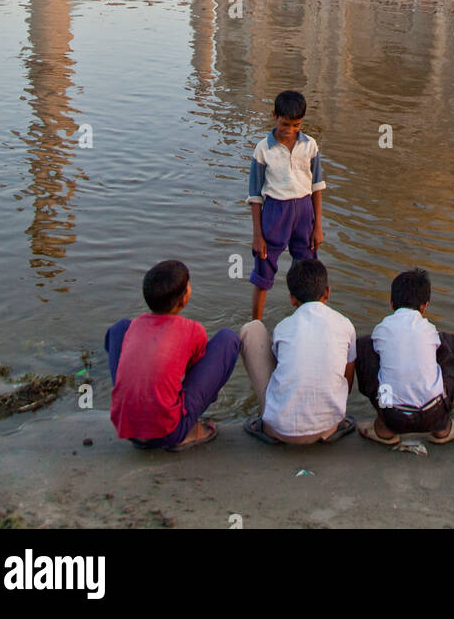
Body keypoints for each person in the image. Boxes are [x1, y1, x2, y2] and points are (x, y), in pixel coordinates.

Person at [105, 259, 240, 452]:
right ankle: (189, 431)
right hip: (168, 432)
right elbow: (194, 373)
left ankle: (136, 411)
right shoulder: (193, 330)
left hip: (126, 427)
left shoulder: (134, 326)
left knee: (118, 328)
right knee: (228, 339)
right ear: (184, 298)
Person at [240, 259, 356, 444]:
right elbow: (347, 382)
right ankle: (327, 416)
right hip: (328, 427)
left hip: (279, 430)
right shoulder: (345, 324)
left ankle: (269, 419)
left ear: (292, 298)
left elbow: (282, 370)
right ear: (327, 291)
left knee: (252, 329)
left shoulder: (283, 327)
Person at [356, 267, 454, 445]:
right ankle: (443, 427)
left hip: (391, 414)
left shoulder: (382, 328)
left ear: (391, 303)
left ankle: (383, 428)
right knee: (450, 343)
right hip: (434, 413)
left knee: (364, 346)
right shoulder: (429, 329)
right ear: (425, 307)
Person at [247, 89, 325, 321]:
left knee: (307, 268)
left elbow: (317, 186)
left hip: (304, 212)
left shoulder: (310, 146)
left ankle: (306, 320)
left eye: (296, 125)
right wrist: (257, 234)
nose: (289, 131)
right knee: (264, 268)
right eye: (285, 124)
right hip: (275, 212)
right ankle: (256, 322)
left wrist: (317, 225)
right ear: (274, 116)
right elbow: (254, 196)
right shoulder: (263, 150)